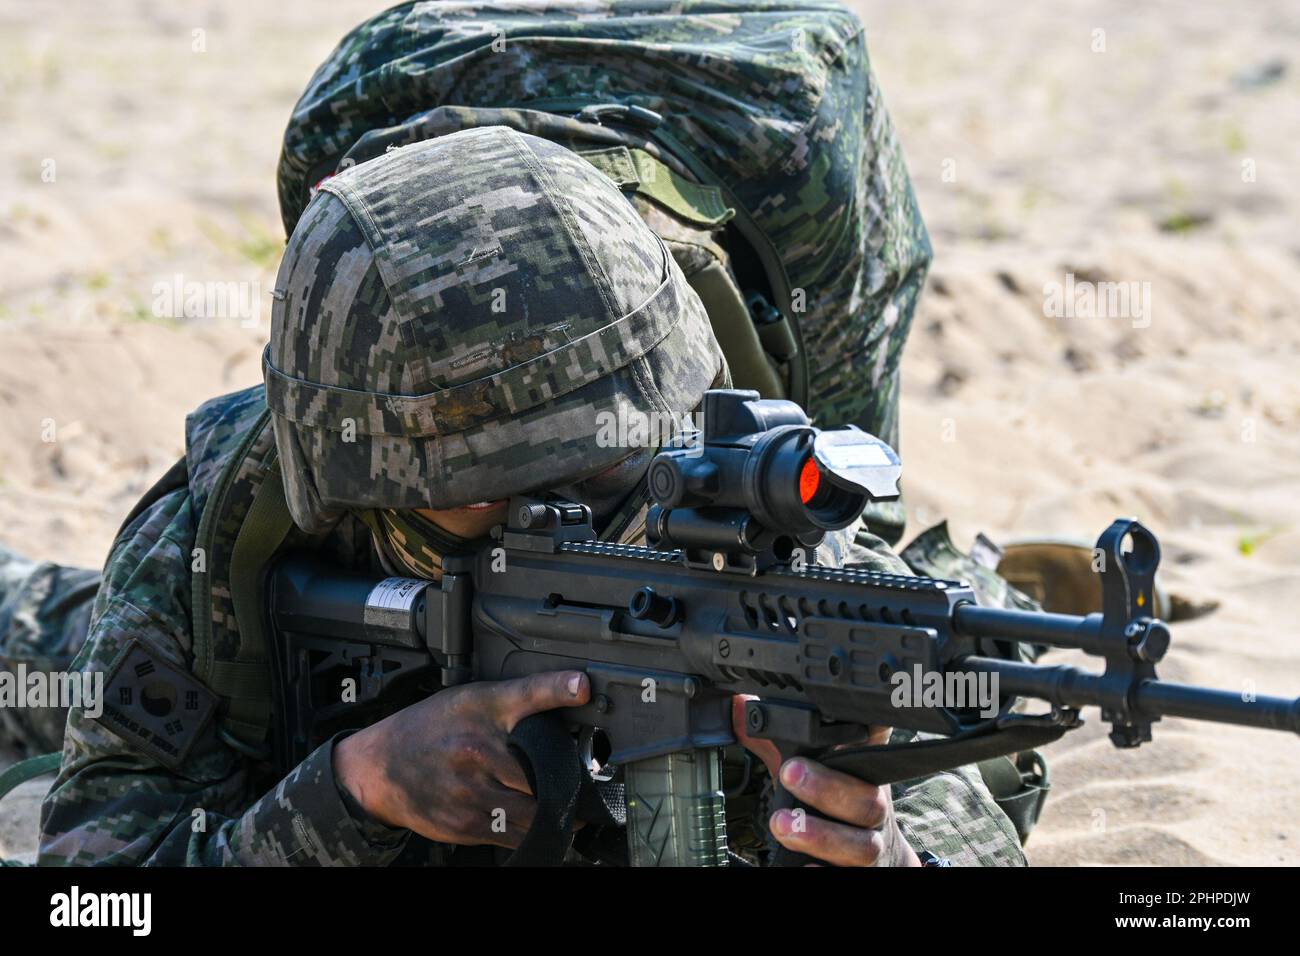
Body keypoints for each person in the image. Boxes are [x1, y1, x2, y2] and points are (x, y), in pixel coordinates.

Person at [12, 128, 1025, 866]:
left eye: (600, 468)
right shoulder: (220, 539)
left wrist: (883, 852)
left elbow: (959, 826)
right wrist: (349, 789)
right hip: (217, 662)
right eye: (487, 490)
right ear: (359, 488)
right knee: (44, 651)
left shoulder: (763, 568)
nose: (559, 516)